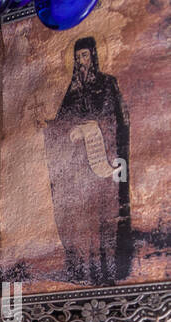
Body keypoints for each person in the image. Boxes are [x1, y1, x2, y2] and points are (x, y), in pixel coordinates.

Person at [44, 36, 131, 285]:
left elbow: (116, 121)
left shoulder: (107, 84)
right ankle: (81, 270)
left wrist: (90, 128)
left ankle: (106, 272)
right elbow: (63, 123)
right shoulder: (72, 92)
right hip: (79, 168)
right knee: (81, 218)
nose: (81, 61)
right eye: (77, 57)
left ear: (93, 55)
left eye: (85, 55)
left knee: (102, 218)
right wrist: (49, 126)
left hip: (102, 166)